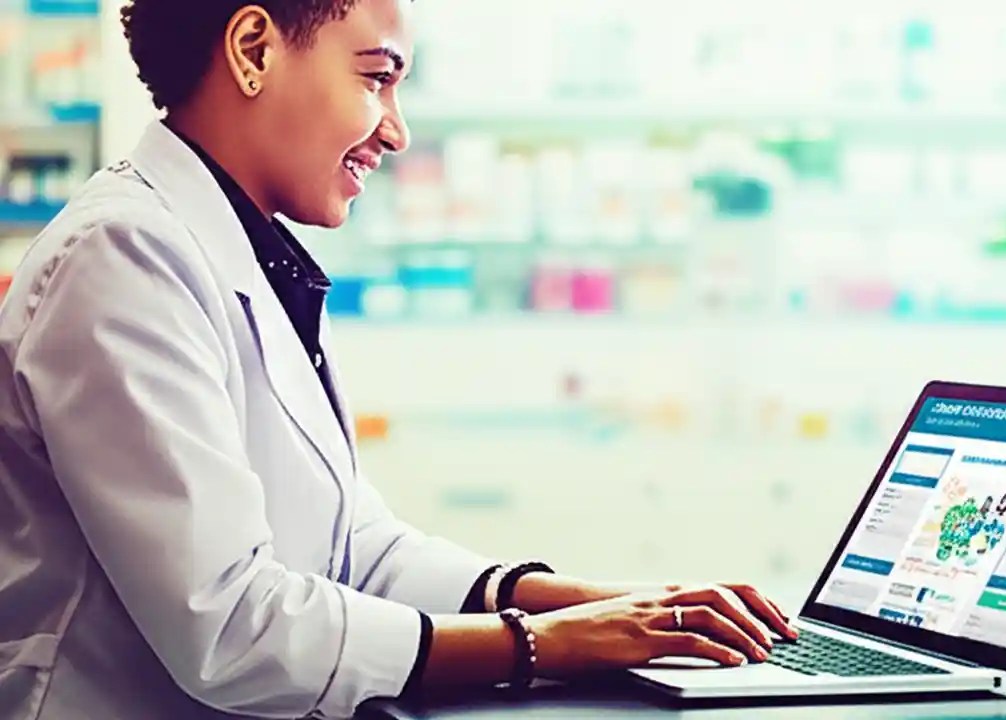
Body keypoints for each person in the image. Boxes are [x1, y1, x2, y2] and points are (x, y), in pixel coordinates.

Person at [0, 2, 796, 718]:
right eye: (377, 78)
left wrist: (602, 604)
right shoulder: (121, 256)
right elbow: (232, 626)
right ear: (254, 50)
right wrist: (547, 644)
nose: (396, 130)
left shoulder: (240, 251)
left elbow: (356, 546)